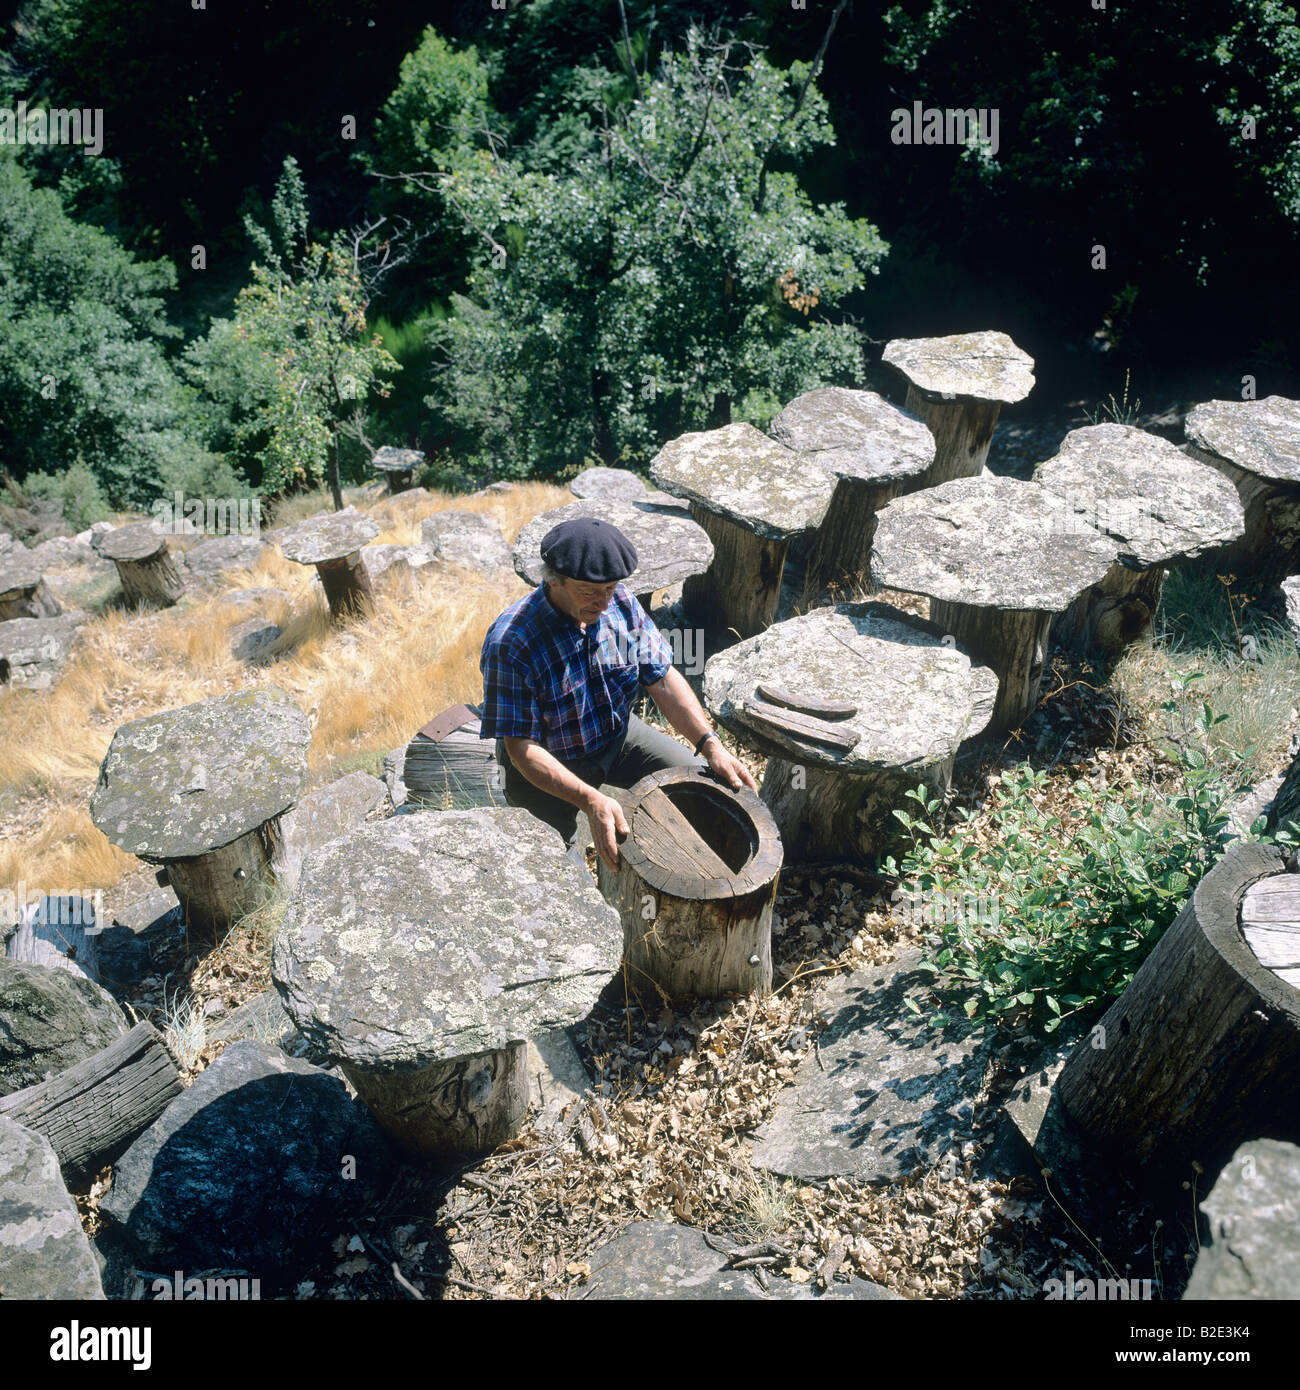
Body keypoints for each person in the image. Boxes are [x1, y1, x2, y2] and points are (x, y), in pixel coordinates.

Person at [480, 515, 755, 870]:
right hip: (547, 761)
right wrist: (590, 800)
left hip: (618, 738)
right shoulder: (512, 642)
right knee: (553, 867)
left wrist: (709, 743)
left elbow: (662, 678)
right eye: (590, 592)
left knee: (705, 786)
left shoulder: (620, 602)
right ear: (554, 580)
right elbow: (521, 749)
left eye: (610, 588)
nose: (604, 602)